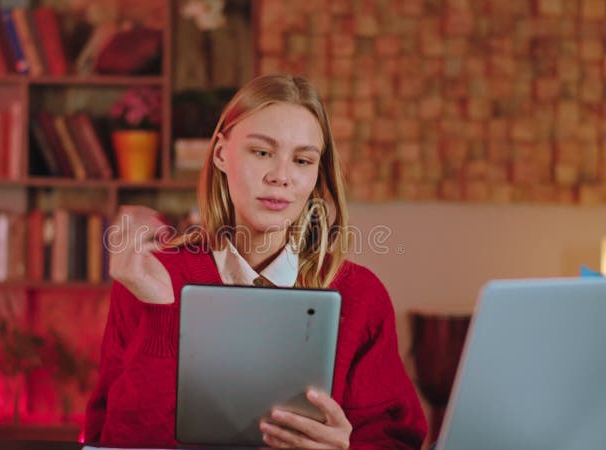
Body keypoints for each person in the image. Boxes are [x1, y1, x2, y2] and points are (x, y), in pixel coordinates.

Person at [84, 73, 428, 449]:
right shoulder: (152, 279)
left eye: (302, 160)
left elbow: (398, 442)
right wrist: (159, 315)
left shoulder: (361, 296)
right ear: (220, 154)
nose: (280, 176)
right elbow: (118, 441)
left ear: (316, 175)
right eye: (262, 152)